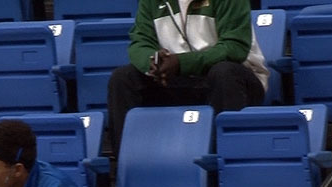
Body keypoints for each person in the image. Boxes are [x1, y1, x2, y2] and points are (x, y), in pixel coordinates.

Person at [106, 0, 268, 154]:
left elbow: (234, 48)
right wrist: (154, 62)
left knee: (223, 72)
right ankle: (127, 167)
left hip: (236, 80)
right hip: (179, 79)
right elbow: (140, 42)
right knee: (123, 78)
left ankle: (227, 163)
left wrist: (182, 62)